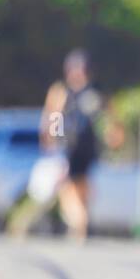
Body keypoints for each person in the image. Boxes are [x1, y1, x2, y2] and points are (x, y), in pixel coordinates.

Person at [41, 49, 104, 243]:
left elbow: (55, 115)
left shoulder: (62, 91)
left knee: (68, 188)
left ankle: (79, 223)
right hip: (88, 147)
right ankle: (81, 225)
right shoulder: (93, 92)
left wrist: (52, 140)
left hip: (70, 146)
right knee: (80, 186)